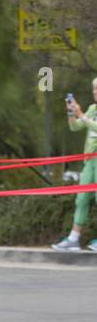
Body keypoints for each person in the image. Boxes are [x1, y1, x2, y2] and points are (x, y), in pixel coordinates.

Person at [53, 78, 97, 252]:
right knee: (82, 199)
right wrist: (71, 113)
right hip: (89, 160)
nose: (95, 92)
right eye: (94, 88)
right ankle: (73, 238)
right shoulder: (93, 109)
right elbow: (76, 127)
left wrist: (81, 115)